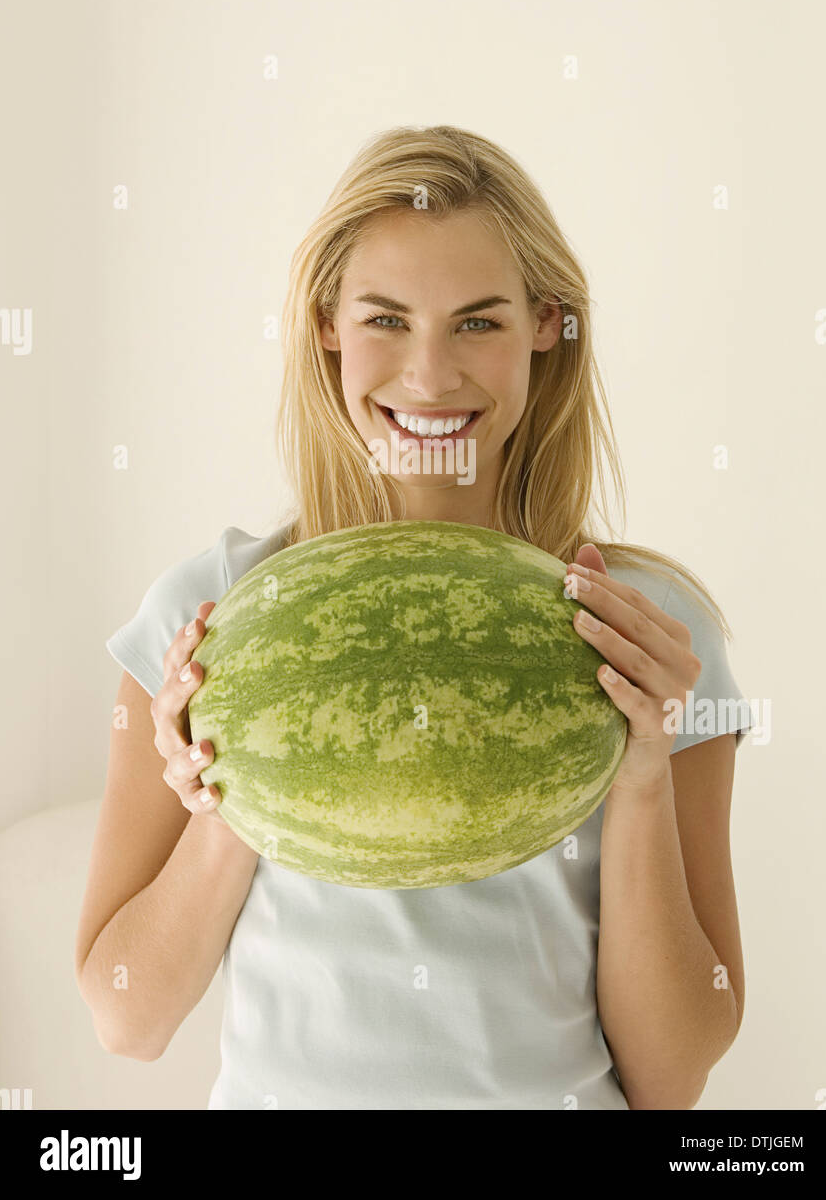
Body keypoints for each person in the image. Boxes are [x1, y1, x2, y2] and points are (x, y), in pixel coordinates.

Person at [78, 124, 750, 1109]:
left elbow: (671, 1077)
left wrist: (642, 775)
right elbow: (126, 1019)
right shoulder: (210, 614)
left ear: (546, 325)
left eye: (478, 322)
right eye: (386, 318)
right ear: (326, 326)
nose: (430, 375)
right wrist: (231, 798)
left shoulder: (649, 631)